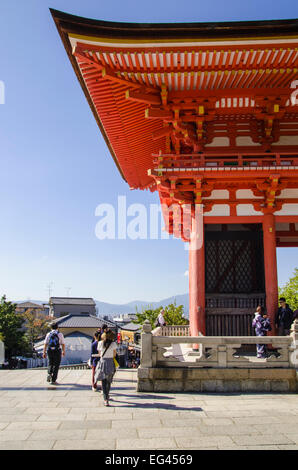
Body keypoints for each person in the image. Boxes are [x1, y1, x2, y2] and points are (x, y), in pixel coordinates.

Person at [97, 329, 117, 406]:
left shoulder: (100, 343)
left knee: (103, 381)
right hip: (110, 362)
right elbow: (114, 354)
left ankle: (105, 399)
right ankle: (107, 395)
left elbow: (99, 354)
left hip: (103, 362)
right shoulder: (113, 344)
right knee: (109, 381)